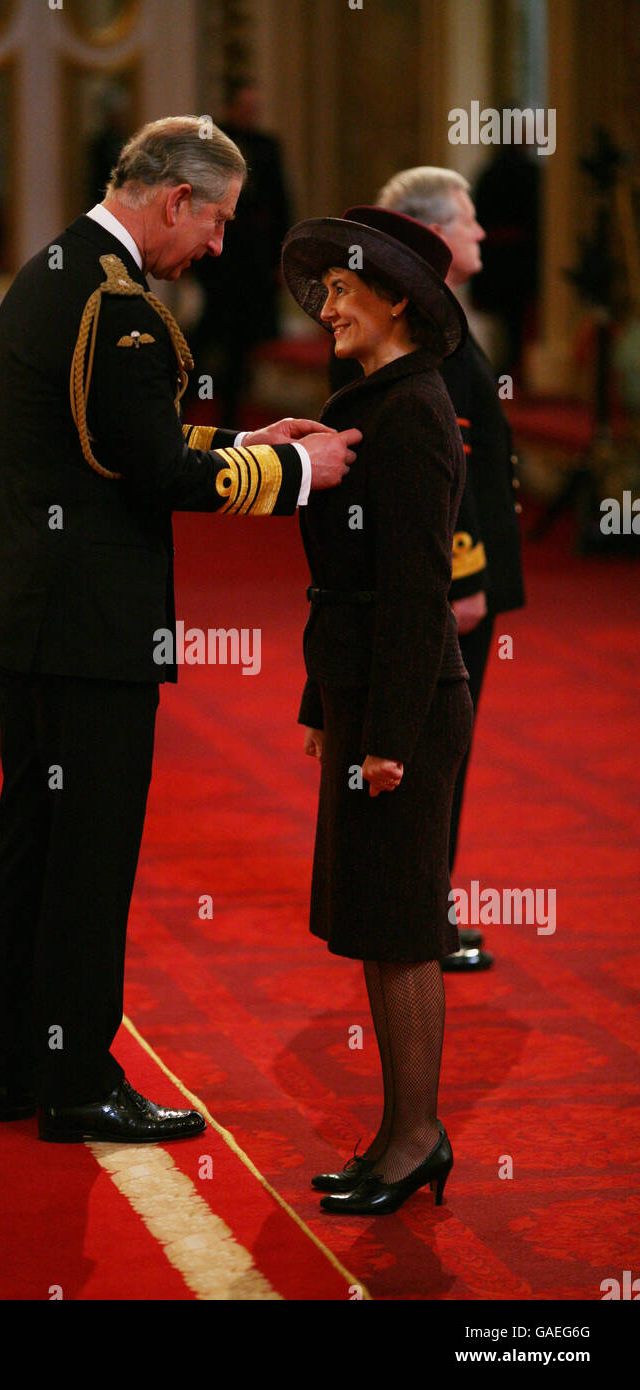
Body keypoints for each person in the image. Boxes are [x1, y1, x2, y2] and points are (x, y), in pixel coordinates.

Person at [0, 116, 359, 1146]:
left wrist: (240, 438)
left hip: (33, 615)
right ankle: (80, 1081)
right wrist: (291, 474)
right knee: (87, 857)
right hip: (92, 626)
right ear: (174, 199)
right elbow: (151, 469)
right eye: (218, 221)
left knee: (32, 848)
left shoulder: (58, 267)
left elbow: (109, 433)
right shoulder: (117, 301)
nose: (219, 246)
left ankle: (15, 1067)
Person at [282, 206, 473, 1213]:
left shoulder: (413, 410)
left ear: (396, 298)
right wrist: (327, 703)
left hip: (408, 700)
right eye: (321, 292)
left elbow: (411, 592)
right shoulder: (369, 395)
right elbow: (339, 580)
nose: (326, 306)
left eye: (344, 290)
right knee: (372, 916)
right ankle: (395, 1132)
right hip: (364, 692)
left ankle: (415, 1138)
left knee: (401, 925)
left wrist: (388, 740)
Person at [330, 168, 526, 971]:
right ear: (436, 236)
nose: (481, 235)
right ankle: (424, 913)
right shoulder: (415, 343)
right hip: (447, 576)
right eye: (470, 224)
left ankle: (429, 902)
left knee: (443, 756)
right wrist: (468, 576)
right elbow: (453, 462)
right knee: (430, 750)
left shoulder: (440, 325)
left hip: (452, 571)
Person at [188, 81, 291, 419]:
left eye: (254, 107)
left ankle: (230, 413)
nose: (250, 112)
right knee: (208, 336)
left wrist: (281, 258)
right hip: (220, 259)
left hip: (255, 262)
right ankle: (185, 404)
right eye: (244, 105)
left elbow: (281, 203)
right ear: (232, 107)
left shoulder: (267, 146)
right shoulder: (213, 144)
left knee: (242, 344)